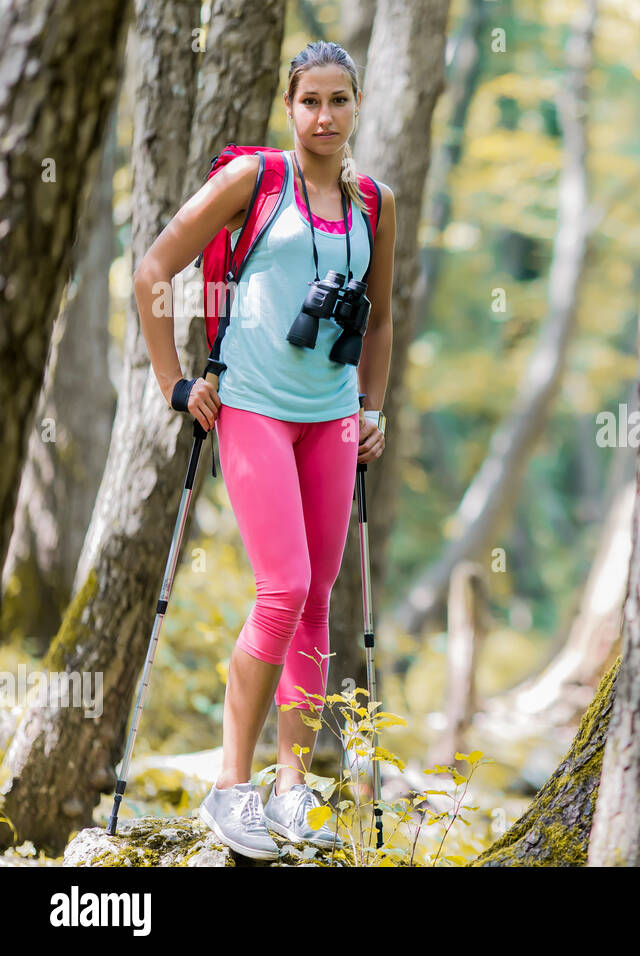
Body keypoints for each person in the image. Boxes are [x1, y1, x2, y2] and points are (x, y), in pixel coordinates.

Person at [133, 40, 397, 860]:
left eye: (339, 101)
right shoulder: (257, 182)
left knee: (318, 599)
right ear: (289, 108)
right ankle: (229, 787)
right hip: (251, 409)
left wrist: (373, 408)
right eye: (310, 100)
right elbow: (153, 269)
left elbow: (380, 319)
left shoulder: (376, 203)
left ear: (357, 105)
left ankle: (290, 788)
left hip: (331, 419)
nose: (324, 116)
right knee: (281, 588)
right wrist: (176, 383)